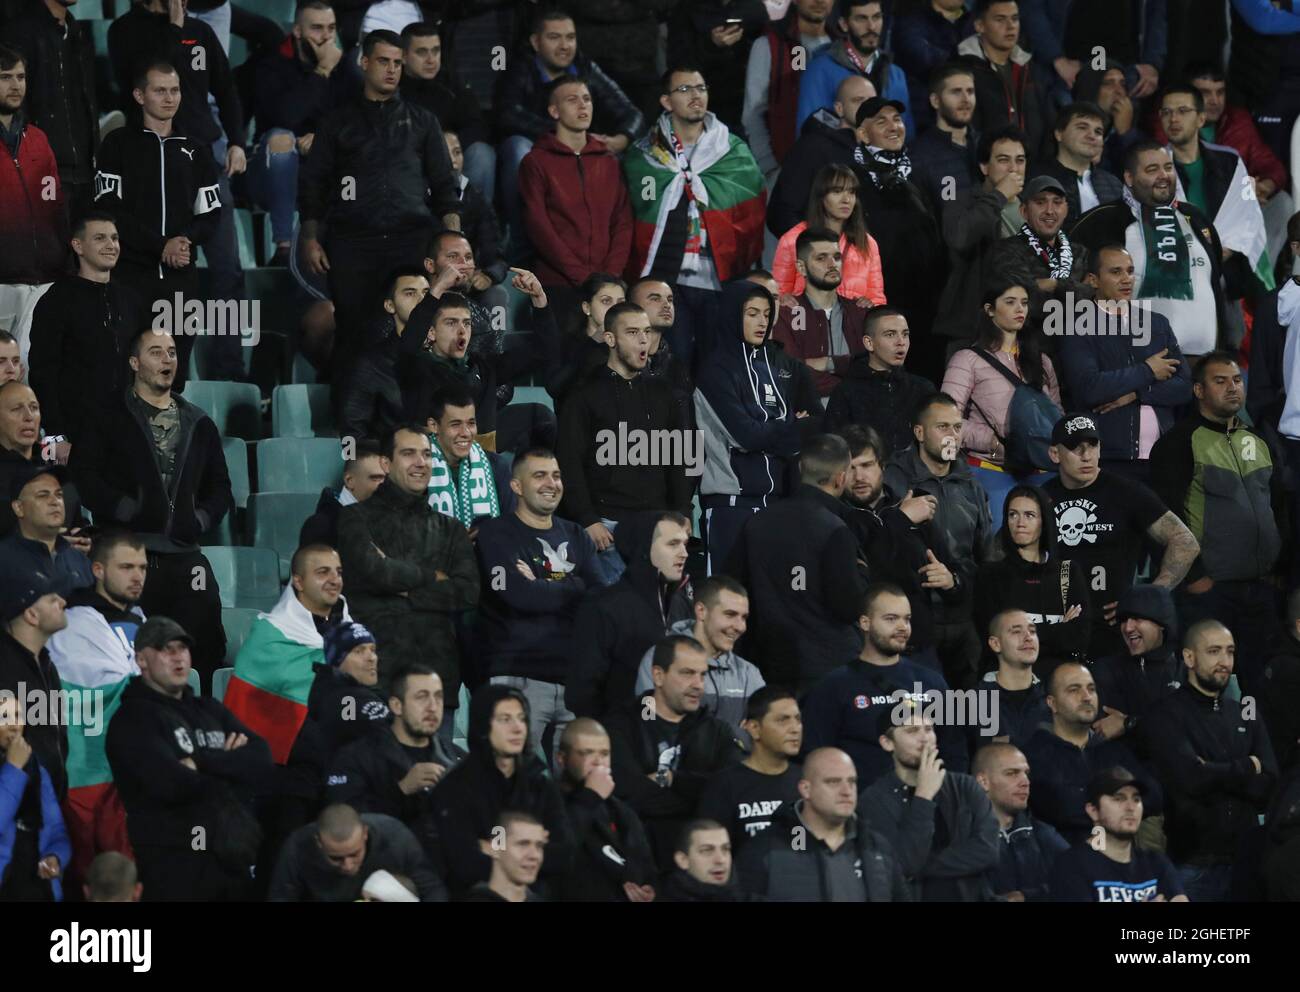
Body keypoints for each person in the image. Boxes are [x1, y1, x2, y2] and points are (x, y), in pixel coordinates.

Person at [298, 29, 461, 396]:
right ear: (365, 63)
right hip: (352, 243)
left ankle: (413, 421)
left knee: (415, 331)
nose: (391, 70)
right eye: (384, 61)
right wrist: (310, 238)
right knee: (354, 331)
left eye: (398, 64)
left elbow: (445, 188)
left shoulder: (424, 121)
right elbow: (313, 186)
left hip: (411, 240)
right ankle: (352, 430)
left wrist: (453, 240)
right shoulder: (337, 122)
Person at [69, 329, 231, 687]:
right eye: (156, 352)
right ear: (134, 363)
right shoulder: (107, 415)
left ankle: (197, 711)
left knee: (203, 640)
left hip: (184, 554)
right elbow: (85, 475)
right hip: (127, 551)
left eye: (172, 352)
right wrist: (127, 510)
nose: (167, 360)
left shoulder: (200, 423)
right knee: (125, 653)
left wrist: (199, 518)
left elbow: (221, 489)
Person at [105, 616, 273, 902]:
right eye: (166, 650)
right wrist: (230, 764)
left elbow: (261, 760)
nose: (178, 658)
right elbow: (172, 783)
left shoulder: (209, 709)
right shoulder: (133, 720)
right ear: (142, 660)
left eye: (182, 649)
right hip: (175, 867)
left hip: (231, 857)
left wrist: (203, 762)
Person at [1150, 353, 1284, 696]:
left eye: (1237, 380)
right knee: (1205, 686)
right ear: (1198, 390)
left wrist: (1277, 569)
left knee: (1261, 689)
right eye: (1220, 381)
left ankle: (1255, 747)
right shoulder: (1178, 443)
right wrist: (1196, 578)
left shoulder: (1259, 439)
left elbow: (1279, 507)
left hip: (1261, 589)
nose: (1232, 388)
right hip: (1211, 591)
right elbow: (1162, 517)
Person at [623, 66, 766, 370]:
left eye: (701, 88)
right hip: (666, 282)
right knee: (673, 367)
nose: (696, 96)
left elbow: (750, 212)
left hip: (721, 281)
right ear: (666, 101)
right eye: (685, 90)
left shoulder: (733, 152)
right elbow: (635, 215)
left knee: (716, 369)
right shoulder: (645, 155)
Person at [92, 62, 223, 392]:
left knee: (173, 377)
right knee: (124, 372)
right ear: (139, 95)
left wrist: (185, 240)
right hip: (129, 280)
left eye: (175, 90)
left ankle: (170, 443)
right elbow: (109, 210)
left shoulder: (196, 149)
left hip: (181, 282)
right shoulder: (117, 145)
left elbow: (211, 214)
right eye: (160, 90)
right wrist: (159, 245)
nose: (169, 98)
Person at [475, 448, 603, 768]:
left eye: (556, 475)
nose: (552, 483)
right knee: (513, 784)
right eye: (540, 475)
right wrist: (574, 584)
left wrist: (541, 585)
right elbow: (515, 595)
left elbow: (599, 599)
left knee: (578, 792)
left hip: (573, 682)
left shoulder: (576, 534)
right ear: (516, 486)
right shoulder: (495, 534)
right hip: (518, 679)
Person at [337, 424, 479, 712]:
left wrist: (405, 590)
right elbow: (374, 571)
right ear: (386, 463)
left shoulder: (450, 528)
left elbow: (467, 592)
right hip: (377, 680)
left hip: (438, 681)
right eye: (408, 454)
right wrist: (432, 578)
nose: (420, 463)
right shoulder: (353, 518)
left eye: (426, 454)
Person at [555, 302, 694, 584]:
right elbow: (569, 462)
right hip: (608, 527)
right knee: (616, 608)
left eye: (646, 331)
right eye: (632, 332)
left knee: (658, 610)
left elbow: (681, 457)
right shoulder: (583, 396)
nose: (643, 340)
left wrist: (683, 510)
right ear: (610, 339)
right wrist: (587, 518)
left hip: (658, 523)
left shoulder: (665, 394)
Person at [1043, 414, 1199, 656]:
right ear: (1055, 454)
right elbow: (1002, 553)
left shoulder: (1126, 492)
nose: (1087, 455)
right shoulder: (1041, 498)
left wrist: (1148, 597)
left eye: (1092, 445)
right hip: (1057, 628)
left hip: (1114, 632)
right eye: (1076, 447)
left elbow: (1185, 542)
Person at [1146, 619, 1278, 902]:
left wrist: (1213, 771)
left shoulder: (1246, 712)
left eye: (1230, 652)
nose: (1224, 661)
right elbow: (1191, 778)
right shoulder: (1166, 713)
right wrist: (1245, 767)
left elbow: (1269, 784)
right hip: (1192, 864)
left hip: (1247, 861)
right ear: (1189, 657)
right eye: (1214, 651)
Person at [496, 8, 644, 258]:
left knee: (629, 157)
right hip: (539, 151)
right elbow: (507, 114)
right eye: (555, 37)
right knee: (517, 148)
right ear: (535, 42)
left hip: (580, 150)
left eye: (570, 37)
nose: (565, 45)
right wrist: (562, 133)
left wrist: (622, 139)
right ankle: (521, 246)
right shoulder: (519, 68)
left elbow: (632, 113)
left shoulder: (586, 68)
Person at [726, 434, 867, 694]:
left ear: (801, 468)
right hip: (828, 668)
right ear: (841, 478)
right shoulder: (836, 529)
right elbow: (847, 606)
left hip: (768, 665)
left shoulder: (756, 524)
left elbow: (732, 588)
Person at [44, 532, 146, 888]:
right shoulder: (72, 623)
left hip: (135, 764)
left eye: (143, 567)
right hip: (93, 766)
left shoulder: (140, 619)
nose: (138, 576)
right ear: (99, 570)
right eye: (127, 567)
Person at [694, 281, 817, 571]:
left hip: (773, 505)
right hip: (731, 506)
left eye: (766, 313)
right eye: (751, 313)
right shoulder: (715, 370)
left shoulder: (770, 369)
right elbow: (746, 436)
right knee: (725, 600)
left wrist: (780, 430)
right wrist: (789, 427)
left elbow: (792, 435)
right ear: (732, 315)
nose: (762, 322)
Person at [1071, 141, 1229, 360]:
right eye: (1152, 170)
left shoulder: (1197, 218)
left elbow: (1214, 282)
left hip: (1204, 363)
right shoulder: (1100, 222)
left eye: (1168, 167)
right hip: (1138, 366)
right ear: (1129, 178)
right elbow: (1075, 288)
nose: (1163, 175)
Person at [802, 584, 969, 787]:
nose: (902, 627)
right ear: (865, 623)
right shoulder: (833, 686)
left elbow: (954, 751)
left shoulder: (933, 682)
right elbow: (817, 755)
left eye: (906, 619)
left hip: (926, 800)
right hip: (862, 807)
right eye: (891, 619)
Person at [885, 393, 995, 693]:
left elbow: (986, 558)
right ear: (919, 432)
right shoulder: (892, 482)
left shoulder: (972, 486)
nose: (953, 436)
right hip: (913, 622)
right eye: (943, 427)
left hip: (963, 618)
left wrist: (955, 579)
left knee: (968, 716)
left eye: (957, 428)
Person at [838, 426, 965, 677]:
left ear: (882, 467)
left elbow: (957, 570)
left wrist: (952, 581)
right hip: (865, 652)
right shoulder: (838, 519)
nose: (859, 476)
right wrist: (900, 518)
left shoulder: (913, 507)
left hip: (920, 651)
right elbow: (870, 571)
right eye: (850, 468)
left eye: (866, 465)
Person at [607, 635, 742, 866]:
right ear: (658, 675)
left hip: (703, 862)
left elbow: (731, 791)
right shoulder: (622, 725)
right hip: (638, 860)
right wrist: (698, 794)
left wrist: (669, 778)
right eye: (687, 673)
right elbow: (627, 796)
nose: (699, 684)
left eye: (703, 674)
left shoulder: (716, 731)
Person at [1057, 246, 1193, 476]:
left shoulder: (1157, 324)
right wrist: (1148, 370)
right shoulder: (1078, 327)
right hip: (1110, 458)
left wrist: (1137, 394)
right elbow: (1089, 388)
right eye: (1116, 272)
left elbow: (1184, 387)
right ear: (1093, 280)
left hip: (1165, 456)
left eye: (1130, 271)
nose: (1126, 279)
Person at [431, 684, 574, 895]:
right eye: (505, 719)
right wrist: (533, 851)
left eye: (521, 718)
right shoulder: (454, 789)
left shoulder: (539, 784)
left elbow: (564, 852)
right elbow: (464, 864)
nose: (518, 728)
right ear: (483, 726)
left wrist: (499, 851)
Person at [941, 277, 1062, 522]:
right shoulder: (967, 359)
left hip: (1040, 469)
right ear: (989, 310)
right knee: (997, 550)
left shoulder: (1042, 361)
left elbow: (1056, 413)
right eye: (1010, 302)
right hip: (992, 469)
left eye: (1025, 303)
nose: (1020, 309)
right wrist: (992, 443)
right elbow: (945, 422)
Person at [400, 268, 555, 454]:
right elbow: (409, 343)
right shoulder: (417, 369)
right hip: (435, 469)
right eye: (451, 323)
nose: (461, 330)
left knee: (541, 415)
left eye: (466, 323)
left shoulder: (483, 366)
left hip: (481, 468)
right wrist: (438, 287)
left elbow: (544, 351)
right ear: (431, 332)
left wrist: (539, 299)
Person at [246, 0, 352, 265]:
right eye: (316, 29)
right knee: (281, 138)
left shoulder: (345, 66)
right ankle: (284, 246)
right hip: (271, 170)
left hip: (320, 166)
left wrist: (322, 138)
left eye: (331, 28)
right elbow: (282, 117)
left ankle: (351, 244)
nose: (326, 37)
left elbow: (356, 121)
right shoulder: (271, 63)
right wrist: (322, 72)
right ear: (297, 31)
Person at [27, 212, 142, 451]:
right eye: (100, 238)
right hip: (72, 434)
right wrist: (55, 436)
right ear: (77, 245)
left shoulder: (131, 299)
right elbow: (43, 372)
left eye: (115, 238)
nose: (111, 245)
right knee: (66, 489)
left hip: (126, 430)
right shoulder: (56, 301)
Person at [861, 704, 1001, 901]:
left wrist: (922, 865)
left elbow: (988, 851)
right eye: (912, 730)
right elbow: (902, 865)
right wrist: (924, 796)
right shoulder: (874, 799)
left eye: (928, 729)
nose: (925, 737)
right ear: (887, 743)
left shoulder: (965, 786)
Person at [225, 544, 350, 763]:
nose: (334, 579)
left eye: (338, 572)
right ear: (298, 582)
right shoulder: (270, 633)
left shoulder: (351, 631)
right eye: (323, 572)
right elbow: (245, 704)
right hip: (287, 761)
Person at [737, 746, 911, 901]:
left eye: (851, 782)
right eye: (833, 782)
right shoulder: (765, 850)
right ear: (806, 789)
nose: (846, 791)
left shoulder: (877, 847)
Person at [566, 510, 693, 722]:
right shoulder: (604, 606)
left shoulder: (682, 604)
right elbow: (582, 691)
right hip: (621, 740)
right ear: (644, 547)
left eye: (684, 544)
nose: (684, 553)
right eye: (672, 544)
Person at [327, 666, 463, 860]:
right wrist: (401, 790)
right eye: (421, 697)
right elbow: (342, 825)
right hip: (381, 870)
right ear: (397, 705)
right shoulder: (355, 757)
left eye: (439, 697)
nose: (433, 706)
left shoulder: (456, 759)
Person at [1021, 661, 1164, 845]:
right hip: (1064, 864)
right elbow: (1060, 807)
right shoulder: (1033, 755)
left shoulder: (1114, 750)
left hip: (1121, 865)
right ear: (1052, 703)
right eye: (1074, 689)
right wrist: (1122, 803)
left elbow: (1153, 796)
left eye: (1091, 689)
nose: (1087, 696)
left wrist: (1098, 806)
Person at [1165, 62, 1293, 265]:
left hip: (1238, 212)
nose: (1215, 101)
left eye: (1220, 92)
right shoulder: (1169, 126)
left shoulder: (1237, 120)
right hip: (1194, 220)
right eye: (1205, 93)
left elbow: (1271, 165)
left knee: (1282, 203)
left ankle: (1256, 277)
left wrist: (1262, 187)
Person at [519, 76, 633, 292]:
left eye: (587, 99)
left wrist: (610, 275)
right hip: (557, 284)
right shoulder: (535, 162)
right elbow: (539, 226)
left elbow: (623, 222)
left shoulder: (608, 161)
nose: (583, 105)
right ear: (554, 111)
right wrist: (583, 277)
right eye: (572, 100)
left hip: (607, 285)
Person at [1158, 81, 1270, 300]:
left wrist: (1220, 252)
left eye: (1182, 111)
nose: (1173, 119)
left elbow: (1250, 213)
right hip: (1176, 274)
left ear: (1201, 118)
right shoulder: (1151, 166)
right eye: (1166, 112)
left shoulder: (1231, 160)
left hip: (1227, 272)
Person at [848, 97, 944, 347]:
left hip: (926, 302)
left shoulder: (919, 171)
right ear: (863, 134)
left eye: (897, 119)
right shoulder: (852, 178)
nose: (893, 127)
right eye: (882, 121)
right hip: (879, 301)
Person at [974, 486, 1090, 674]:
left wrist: (1018, 634)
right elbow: (996, 640)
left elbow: (1079, 637)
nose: (1020, 523)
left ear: (1044, 521)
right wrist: (1059, 628)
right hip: (1008, 685)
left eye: (1029, 515)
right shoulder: (990, 575)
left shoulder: (1068, 572)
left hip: (1058, 683)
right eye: (1013, 515)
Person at [634, 576, 766, 739]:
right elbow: (650, 726)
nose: (740, 627)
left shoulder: (749, 674)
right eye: (730, 614)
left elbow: (763, 738)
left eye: (744, 617)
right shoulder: (657, 658)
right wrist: (735, 735)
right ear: (701, 611)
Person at [0, 45, 66, 367]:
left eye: (21, 77)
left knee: (37, 378)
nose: (16, 86)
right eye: (5, 77)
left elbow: (53, 203)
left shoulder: (38, 138)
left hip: (44, 281)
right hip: (2, 283)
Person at [3, 0, 99, 220]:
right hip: (42, 169)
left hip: (85, 170)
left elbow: (88, 100)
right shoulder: (20, 32)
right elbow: (13, 107)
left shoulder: (77, 32)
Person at [933, 126, 1027, 348]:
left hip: (1022, 330)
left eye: (1020, 160)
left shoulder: (1033, 206)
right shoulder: (961, 200)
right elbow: (960, 237)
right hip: (972, 330)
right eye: (1004, 160)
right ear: (984, 166)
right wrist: (999, 196)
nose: (1014, 169)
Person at [553, 718, 657, 902]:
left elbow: (646, 865)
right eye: (587, 753)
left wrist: (649, 889)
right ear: (561, 758)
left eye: (604, 753)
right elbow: (555, 852)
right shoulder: (546, 800)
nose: (598, 762)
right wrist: (590, 797)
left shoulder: (621, 811)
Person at [1049, 767, 1188, 902]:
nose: (1130, 807)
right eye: (1118, 798)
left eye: (1136, 799)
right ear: (1093, 811)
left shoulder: (1155, 861)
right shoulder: (1071, 866)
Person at [768, 74, 874, 239]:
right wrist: (818, 251)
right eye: (858, 100)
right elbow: (782, 213)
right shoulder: (812, 147)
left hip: (867, 258)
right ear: (839, 108)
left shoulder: (879, 150)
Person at [269, 804, 445, 902]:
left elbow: (433, 889)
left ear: (365, 835)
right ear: (318, 843)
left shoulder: (395, 838)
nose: (347, 865)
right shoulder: (298, 847)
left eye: (354, 854)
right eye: (336, 858)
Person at [397, 22, 494, 199]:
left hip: (453, 160)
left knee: (482, 154)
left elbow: (476, 125)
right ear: (403, 56)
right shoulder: (393, 87)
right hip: (413, 162)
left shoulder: (451, 83)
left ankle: (477, 221)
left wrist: (452, 146)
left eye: (436, 51)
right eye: (421, 52)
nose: (431, 60)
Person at [697, 687, 803, 848]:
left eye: (798, 719)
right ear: (754, 728)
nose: (795, 728)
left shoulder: (807, 782)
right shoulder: (723, 786)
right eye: (783, 720)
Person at [986, 175, 1092, 336]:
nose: (1049, 210)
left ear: (1066, 210)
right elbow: (1026, 307)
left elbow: (1092, 300)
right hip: (1027, 348)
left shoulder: (1080, 252)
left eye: (1057, 202)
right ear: (1024, 211)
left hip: (1075, 346)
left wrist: (1054, 285)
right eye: (1040, 202)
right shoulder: (1007, 250)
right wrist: (1074, 291)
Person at [769, 228, 870, 396]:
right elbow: (790, 372)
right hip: (814, 413)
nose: (832, 264)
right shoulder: (788, 314)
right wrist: (849, 380)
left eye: (837, 257)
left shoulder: (861, 312)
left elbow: (877, 366)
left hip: (864, 411)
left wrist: (827, 363)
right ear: (801, 268)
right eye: (821, 258)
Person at [741, 0, 834, 181]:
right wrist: (769, 167)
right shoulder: (769, 45)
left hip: (837, 175)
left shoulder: (842, 46)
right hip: (784, 172)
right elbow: (753, 114)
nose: (819, 1)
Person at [1088, 584, 1182, 762]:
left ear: (1162, 623)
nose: (1128, 627)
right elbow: (1104, 730)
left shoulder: (1185, 671)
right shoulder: (1104, 671)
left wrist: (1128, 724)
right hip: (1122, 777)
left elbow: (1185, 732)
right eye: (1123, 619)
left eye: (1137, 618)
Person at [338, 268, 430, 446]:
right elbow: (352, 433)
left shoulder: (453, 356)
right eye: (410, 293)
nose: (422, 301)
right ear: (390, 305)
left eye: (426, 293)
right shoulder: (371, 365)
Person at [825, 306, 934, 457]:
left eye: (905, 334)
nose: (901, 342)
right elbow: (834, 450)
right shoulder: (846, 392)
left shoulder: (923, 389)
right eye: (890, 335)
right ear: (869, 343)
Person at [771, 163, 886, 305]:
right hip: (804, 324)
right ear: (821, 196)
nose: (846, 200)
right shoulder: (792, 240)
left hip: (853, 326)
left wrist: (870, 305)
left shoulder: (868, 243)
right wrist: (783, 300)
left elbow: (877, 298)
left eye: (851, 192)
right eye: (837, 192)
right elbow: (777, 294)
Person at [955, 0, 1054, 163]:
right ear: (980, 25)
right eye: (1000, 19)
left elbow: (1048, 127)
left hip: (1033, 172)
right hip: (985, 171)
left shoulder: (1031, 70)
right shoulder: (963, 70)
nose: (1010, 26)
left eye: (1015, 19)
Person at [795, 0, 910, 135]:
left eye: (876, 17)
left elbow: (907, 136)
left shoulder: (896, 74)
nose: (871, 27)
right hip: (837, 155)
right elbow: (809, 134)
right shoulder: (818, 71)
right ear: (844, 24)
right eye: (861, 19)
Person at [0, 569, 66, 801]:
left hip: (47, 807)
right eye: (52, 599)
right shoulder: (4, 668)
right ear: (31, 615)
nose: (63, 602)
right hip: (14, 814)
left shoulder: (47, 664)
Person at [973, 742, 1068, 902]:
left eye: (1026, 773)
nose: (1025, 782)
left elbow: (1079, 878)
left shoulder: (1042, 834)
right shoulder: (960, 835)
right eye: (1012, 773)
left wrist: (1027, 897)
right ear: (983, 781)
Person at [0, 689, 70, 901]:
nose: (14, 725)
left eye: (17, 716)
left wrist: (55, 857)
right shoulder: (17, 767)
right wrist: (13, 768)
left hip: (39, 889)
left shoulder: (36, 770)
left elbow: (57, 830)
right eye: (4, 717)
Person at [1019, 0, 1164, 99]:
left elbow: (1157, 14)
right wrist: (1056, 58)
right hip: (1067, 75)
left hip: (1127, 73)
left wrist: (1153, 63)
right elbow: (1032, 10)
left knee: (1122, 136)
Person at [0, 466, 93, 598]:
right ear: (19, 508)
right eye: (43, 495)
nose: (55, 501)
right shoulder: (4, 561)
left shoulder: (79, 560)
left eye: (59, 495)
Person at [907, 62, 982, 225]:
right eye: (956, 92)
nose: (965, 99)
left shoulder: (987, 146)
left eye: (970, 91)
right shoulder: (918, 156)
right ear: (935, 101)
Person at [419, 389, 503, 531]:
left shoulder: (497, 466)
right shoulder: (417, 467)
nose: (465, 433)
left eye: (471, 423)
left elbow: (510, 525)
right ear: (433, 426)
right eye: (455, 424)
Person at [1033, 103, 1125, 224]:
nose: (1092, 135)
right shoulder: (1036, 180)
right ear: (1059, 134)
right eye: (1082, 127)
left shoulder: (1114, 185)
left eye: (1098, 132)